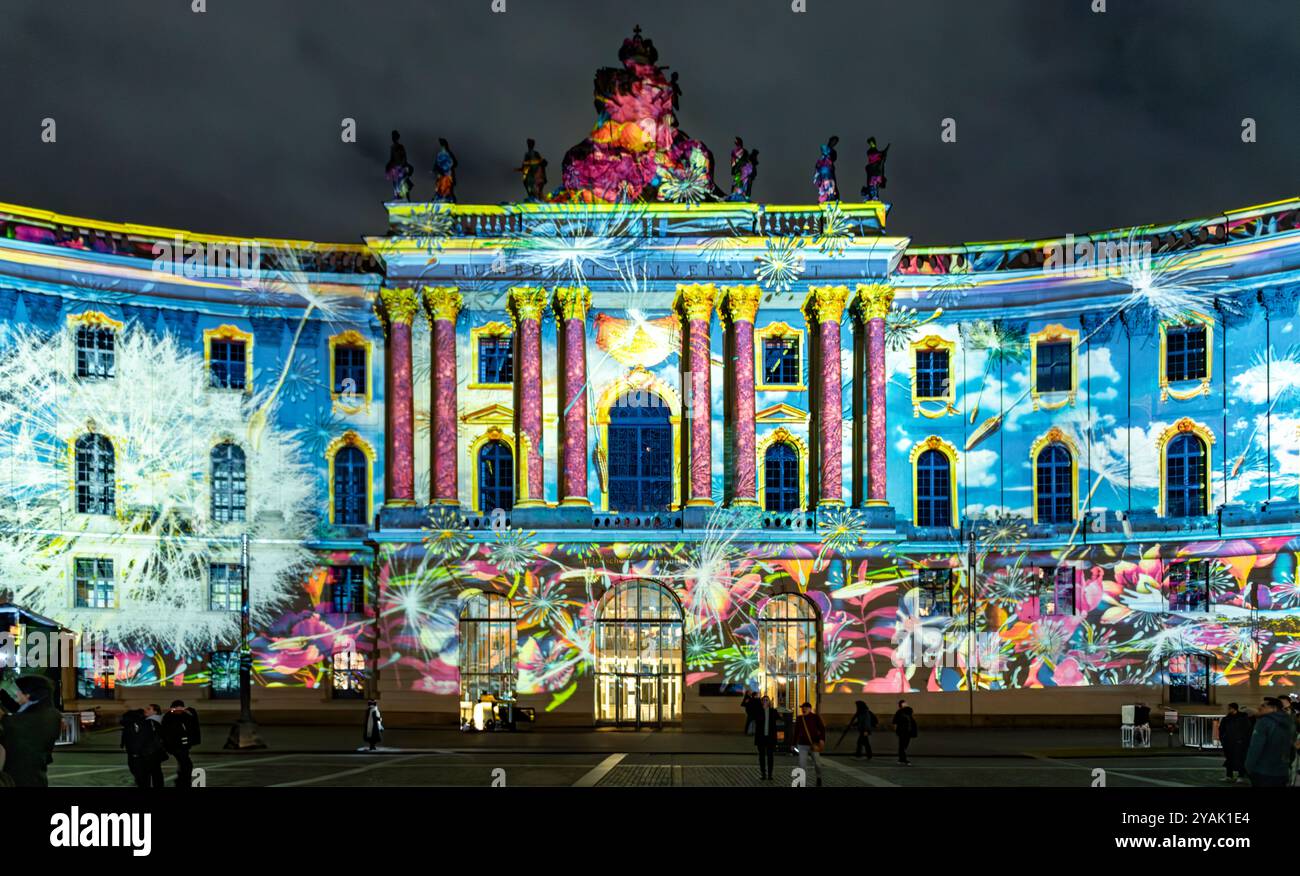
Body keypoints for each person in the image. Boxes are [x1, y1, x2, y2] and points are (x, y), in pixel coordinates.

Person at [0, 675, 63, 787]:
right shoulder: (52, 715)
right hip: (37, 778)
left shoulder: (16, 722)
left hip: (16, 780)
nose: (15, 694)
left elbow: (15, 726)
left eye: (18, 691)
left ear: (28, 695)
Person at [1245, 697, 1294, 787]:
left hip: (1263, 771)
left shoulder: (1264, 722)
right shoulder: (1288, 722)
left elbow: (1255, 747)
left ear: (1274, 708)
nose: (1259, 707)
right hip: (1281, 772)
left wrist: (1248, 767)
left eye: (1263, 706)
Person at [120, 704, 167, 788]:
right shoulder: (148, 721)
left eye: (149, 709)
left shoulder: (151, 722)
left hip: (148, 752)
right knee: (154, 773)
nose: (146, 710)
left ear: (155, 712)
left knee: (148, 774)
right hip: (152, 752)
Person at [160, 700, 200, 788]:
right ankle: (184, 780)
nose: (179, 709)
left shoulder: (185, 715)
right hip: (176, 746)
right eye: (177, 707)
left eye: (180, 707)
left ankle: (182, 779)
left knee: (184, 763)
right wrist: (169, 746)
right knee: (186, 763)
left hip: (184, 745)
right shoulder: (169, 717)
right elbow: (166, 733)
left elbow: (194, 724)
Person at [791, 701, 825, 786]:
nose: (803, 709)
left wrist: (821, 739)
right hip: (802, 745)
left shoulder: (815, 717)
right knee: (802, 764)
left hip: (814, 744)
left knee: (817, 763)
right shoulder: (799, 718)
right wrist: (793, 743)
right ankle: (802, 782)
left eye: (805, 707)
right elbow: (796, 731)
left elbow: (822, 729)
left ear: (810, 709)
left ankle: (819, 777)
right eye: (802, 708)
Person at [1218, 702, 1251, 783]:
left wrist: (1243, 740)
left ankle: (1241, 776)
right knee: (1229, 759)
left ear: (1234, 708)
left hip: (1239, 742)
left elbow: (1247, 730)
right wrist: (1223, 740)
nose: (1228, 710)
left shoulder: (1243, 718)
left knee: (1240, 759)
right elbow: (1221, 730)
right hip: (1229, 742)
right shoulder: (1226, 719)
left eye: (1229, 708)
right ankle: (1229, 775)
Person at [753, 694, 781, 781]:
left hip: (770, 738)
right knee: (761, 757)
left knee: (770, 756)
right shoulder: (758, 711)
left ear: (769, 702)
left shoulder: (773, 711)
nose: (765, 701)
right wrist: (761, 708)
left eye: (767, 700)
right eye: (764, 700)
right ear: (762, 702)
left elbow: (780, 718)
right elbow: (755, 718)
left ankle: (770, 774)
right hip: (761, 738)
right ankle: (763, 774)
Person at [384, 130, 415, 201]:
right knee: (395, 183)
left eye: (394, 137)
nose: (393, 138)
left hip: (400, 168)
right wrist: (388, 165)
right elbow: (392, 158)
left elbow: (404, 157)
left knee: (402, 183)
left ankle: (404, 197)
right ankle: (397, 196)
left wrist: (403, 166)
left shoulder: (400, 147)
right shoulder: (392, 147)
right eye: (393, 137)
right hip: (395, 168)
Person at [893, 699, 918, 765]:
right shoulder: (899, 712)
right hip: (902, 732)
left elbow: (912, 721)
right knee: (902, 746)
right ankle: (904, 760)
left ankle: (901, 759)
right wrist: (896, 730)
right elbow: (895, 722)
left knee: (904, 745)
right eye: (903, 703)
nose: (905, 704)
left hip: (908, 732)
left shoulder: (908, 712)